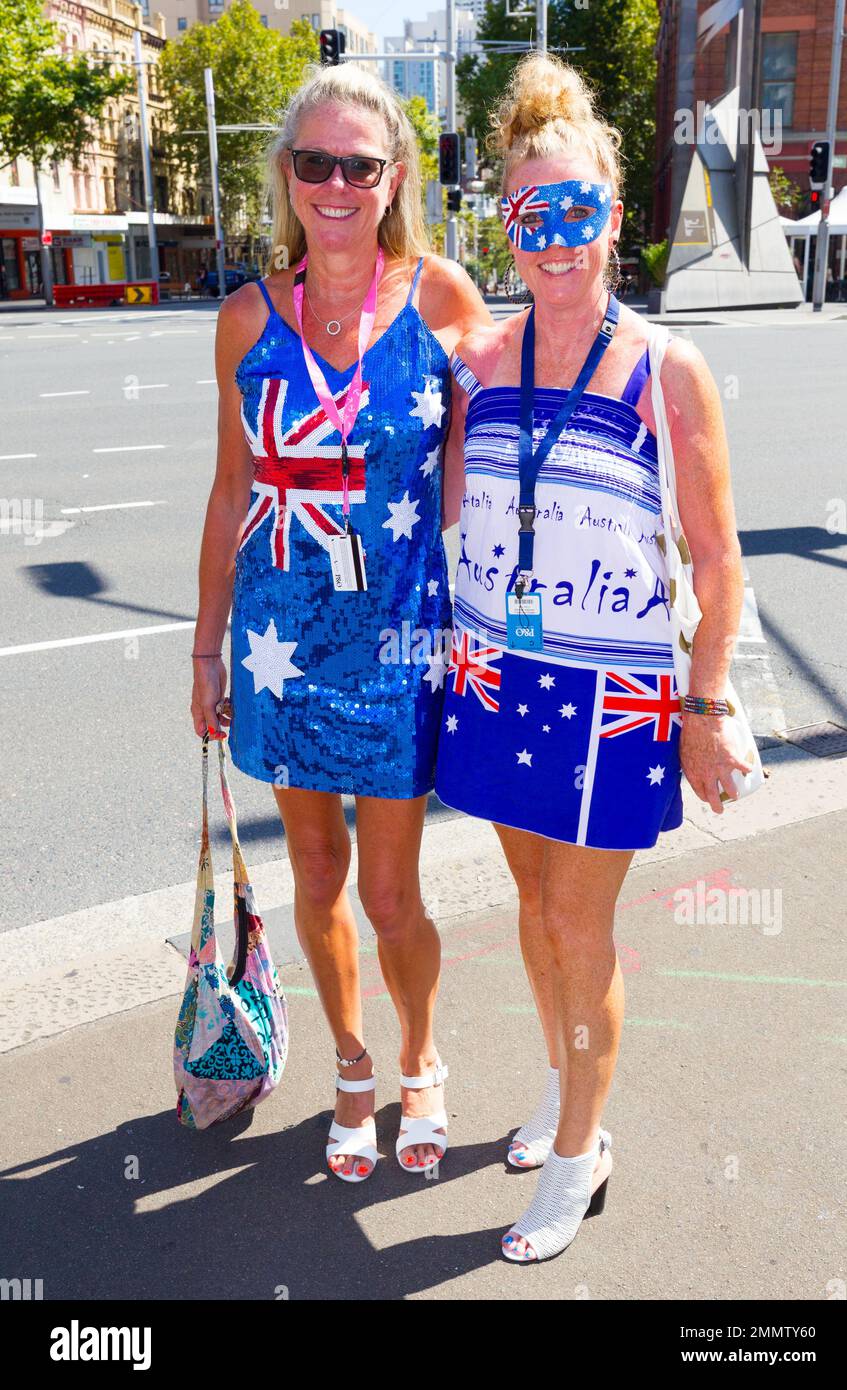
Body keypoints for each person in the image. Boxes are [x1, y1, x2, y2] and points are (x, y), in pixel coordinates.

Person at [435, 53, 752, 1262]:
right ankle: (565, 1090)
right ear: (506, 225)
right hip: (498, 678)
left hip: (614, 701)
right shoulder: (481, 364)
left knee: (581, 928)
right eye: (532, 215)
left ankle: (580, 1147)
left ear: (612, 217)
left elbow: (716, 561)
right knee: (528, 906)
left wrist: (708, 701)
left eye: (577, 211)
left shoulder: (665, 368)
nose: (556, 239)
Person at [190, 61, 490, 1183]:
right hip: (277, 642)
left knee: (390, 890)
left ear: (392, 177)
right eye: (311, 162)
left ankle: (422, 1059)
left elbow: (491, 451)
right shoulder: (241, 318)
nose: (332, 184)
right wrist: (204, 645)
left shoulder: (440, 298)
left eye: (355, 166)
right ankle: (352, 1067)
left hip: (396, 645)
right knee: (313, 875)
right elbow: (228, 491)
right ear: (285, 176)